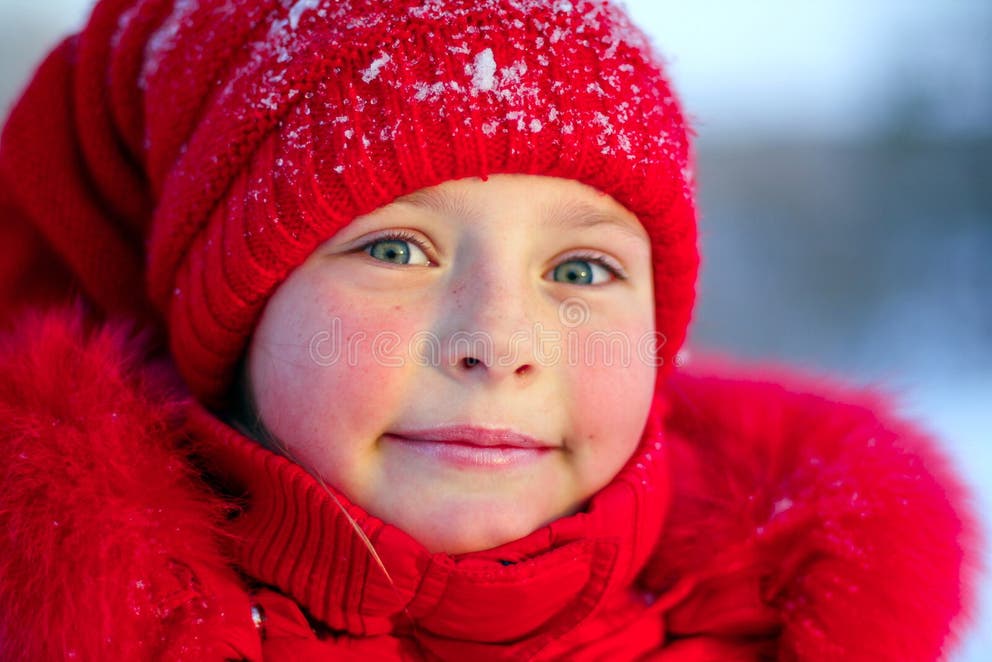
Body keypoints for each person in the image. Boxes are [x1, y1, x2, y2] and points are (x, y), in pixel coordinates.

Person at [0, 0, 980, 659]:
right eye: (395, 250)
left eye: (580, 269)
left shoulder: (780, 624)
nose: (498, 341)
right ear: (228, 309)